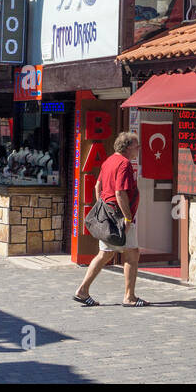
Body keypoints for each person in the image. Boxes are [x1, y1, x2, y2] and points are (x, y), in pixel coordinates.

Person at [74, 132, 148, 308]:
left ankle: (83, 290)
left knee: (107, 253)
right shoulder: (124, 164)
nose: (138, 149)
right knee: (131, 253)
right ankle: (129, 297)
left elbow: (97, 186)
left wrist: (103, 207)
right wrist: (127, 217)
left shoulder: (109, 161)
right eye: (137, 146)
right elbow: (120, 193)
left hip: (109, 215)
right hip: (119, 216)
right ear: (128, 147)